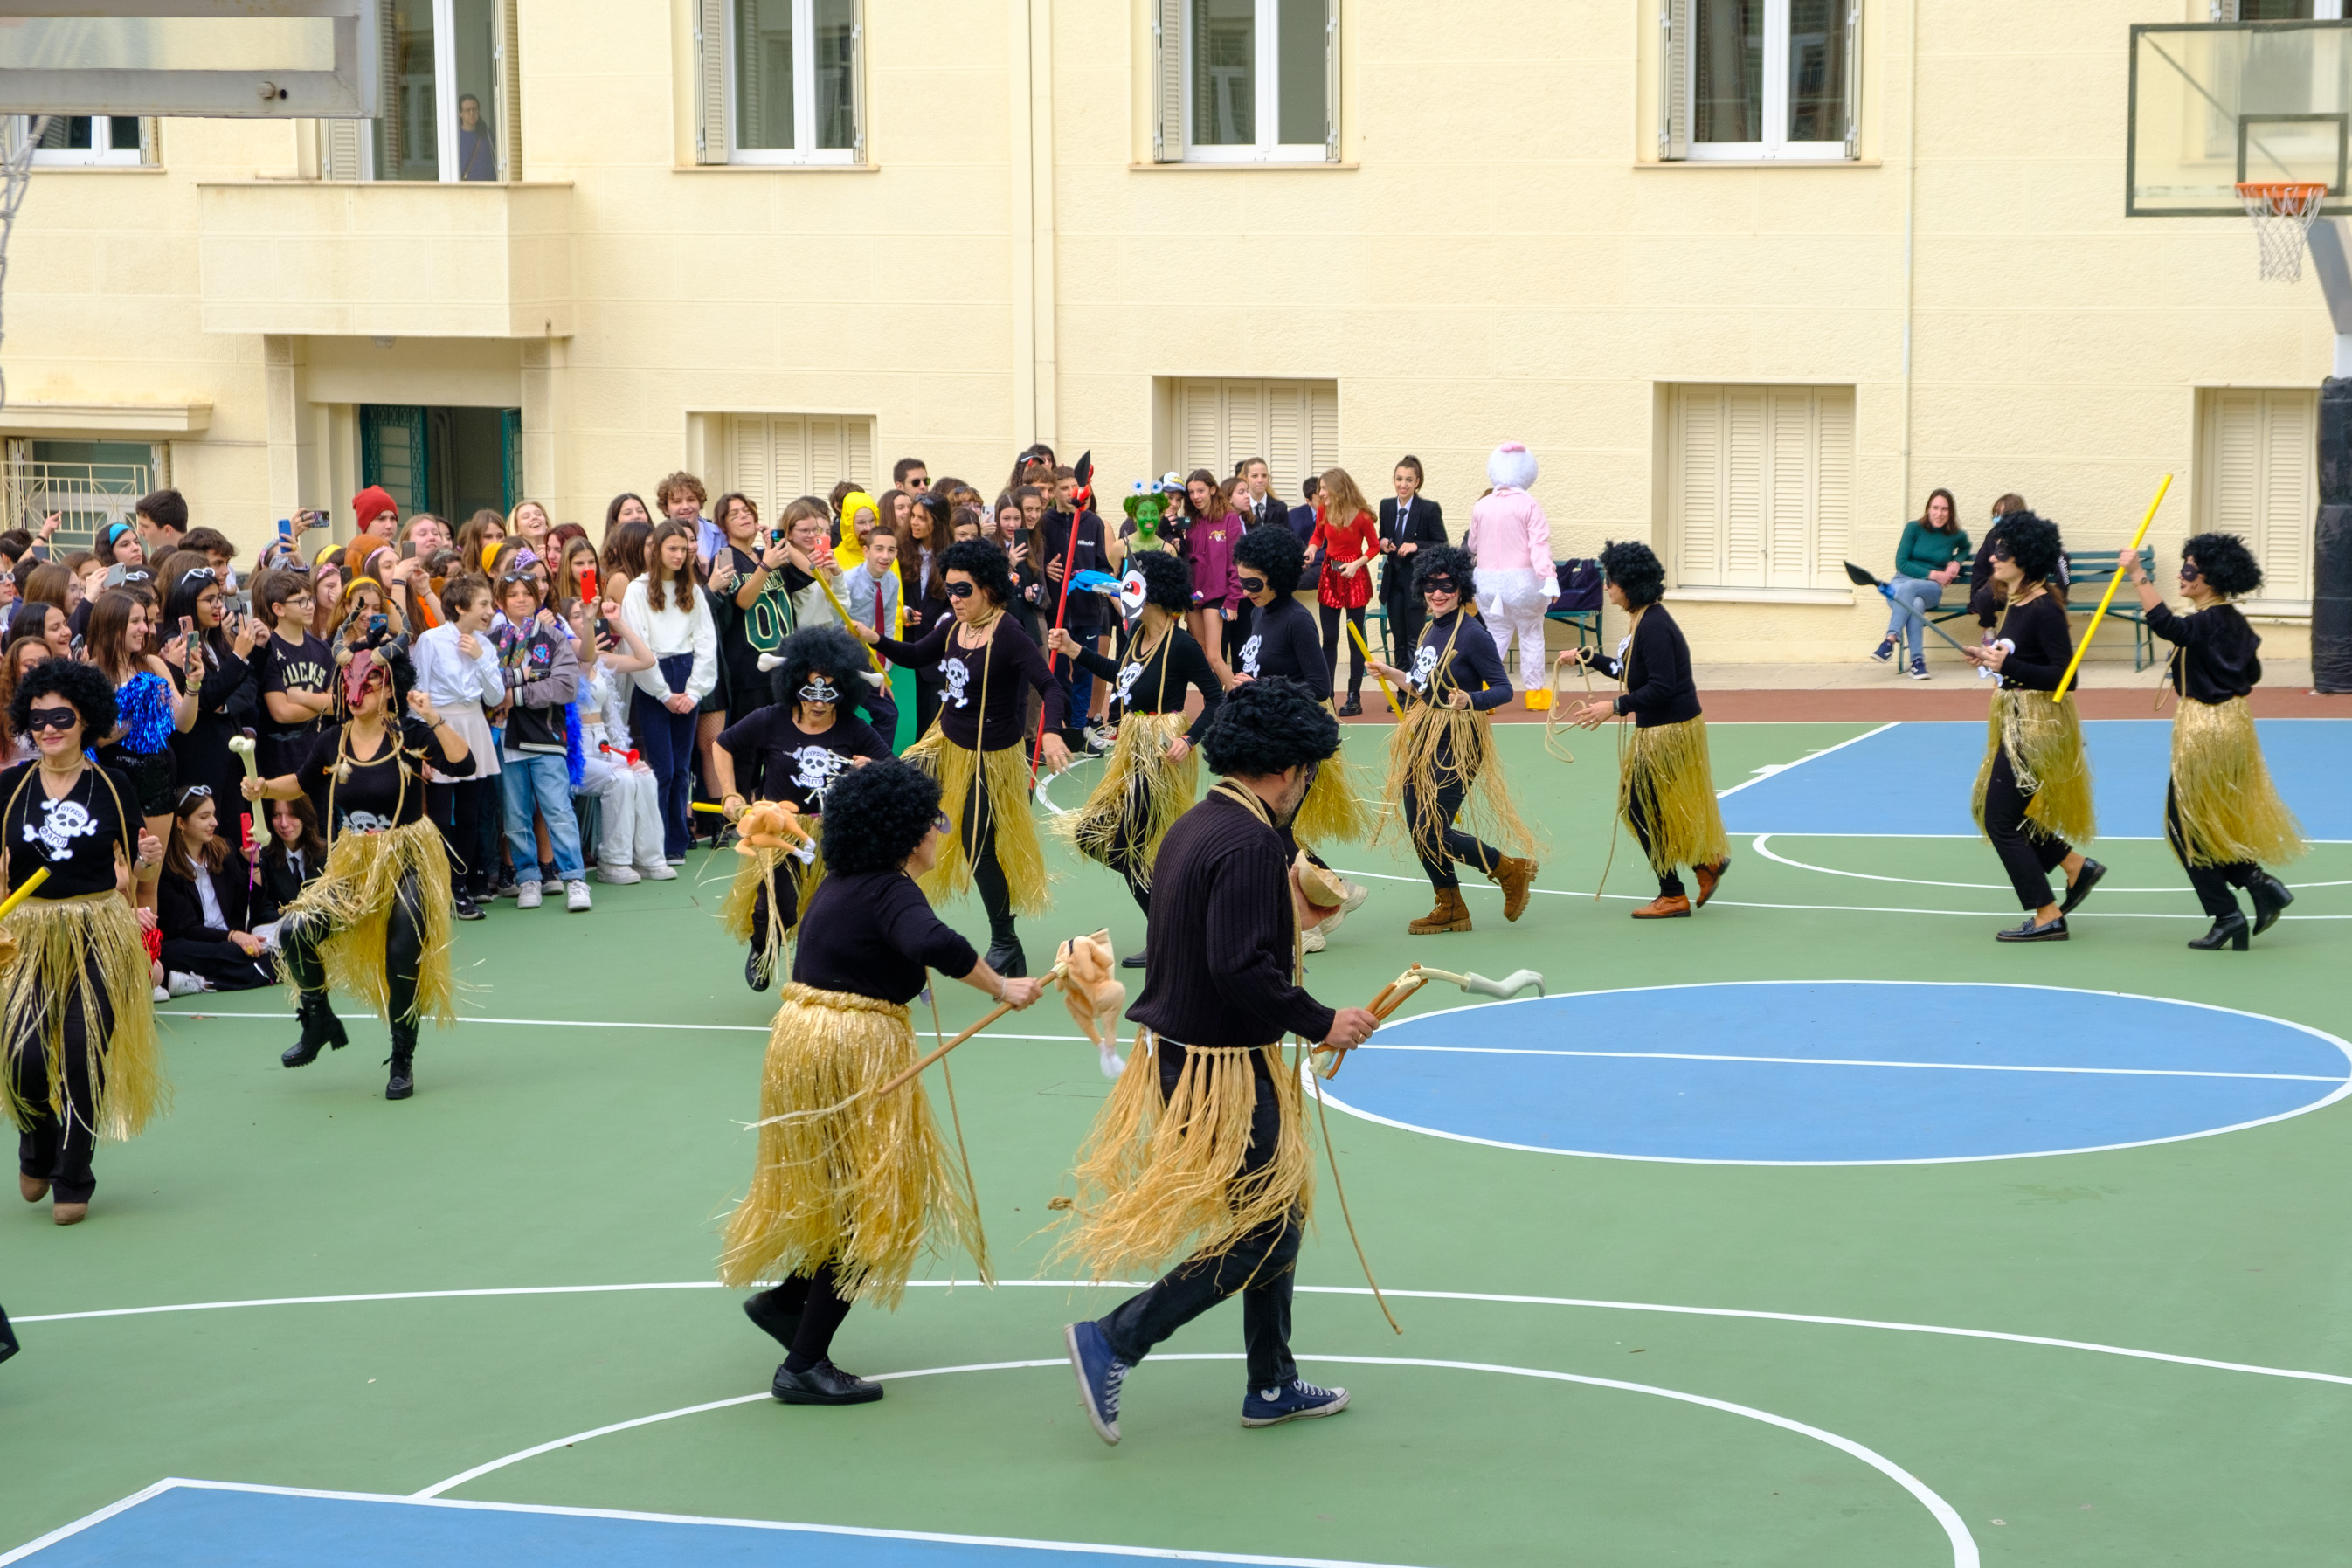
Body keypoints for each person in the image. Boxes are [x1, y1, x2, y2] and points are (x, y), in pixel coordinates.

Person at [1058, 678, 1380, 1445]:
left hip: (1192, 1056)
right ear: (1287, 769)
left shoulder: (1197, 823)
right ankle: (1116, 1337)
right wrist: (1321, 1020)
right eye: (1309, 770)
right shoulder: (1249, 842)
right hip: (1219, 1069)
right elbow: (1240, 967)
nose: (1308, 785)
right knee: (1269, 1228)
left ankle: (1270, 1380)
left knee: (1277, 1211)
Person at [721, 757, 1046, 1405]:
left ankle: (790, 1305)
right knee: (873, 1200)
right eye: (933, 822)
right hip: (849, 1044)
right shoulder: (891, 891)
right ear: (905, 831)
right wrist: (1002, 984)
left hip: (806, 1041)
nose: (939, 833)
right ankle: (803, 1363)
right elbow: (936, 942)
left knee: (842, 1188)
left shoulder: (844, 881)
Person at [243, 638, 474, 1100]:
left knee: (402, 951)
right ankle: (318, 1020)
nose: (358, 690)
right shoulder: (332, 741)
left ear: (388, 688)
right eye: (351, 680)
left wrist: (432, 716)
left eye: (370, 680)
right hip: (354, 860)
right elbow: (302, 782)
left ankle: (403, 1058)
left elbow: (462, 763)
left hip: (407, 856)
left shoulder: (408, 735)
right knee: (294, 932)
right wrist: (264, 787)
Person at [2, 659, 165, 1225]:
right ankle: (38, 1142)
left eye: (62, 716)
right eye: (39, 716)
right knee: (21, 1051)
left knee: (80, 1049)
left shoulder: (113, 786)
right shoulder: (9, 787)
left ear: (86, 718)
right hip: (29, 934)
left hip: (98, 929)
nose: (48, 727)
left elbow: (138, 865)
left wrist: (146, 863)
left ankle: (74, 1173)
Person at [857, 540, 1069, 977]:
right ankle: (881, 926)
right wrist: (875, 638)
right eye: (950, 589)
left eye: (963, 590)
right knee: (894, 807)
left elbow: (1050, 687)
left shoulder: (1009, 634)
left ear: (989, 589)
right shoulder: (954, 626)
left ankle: (1006, 942)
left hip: (990, 759)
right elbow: (917, 657)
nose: (954, 598)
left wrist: (1049, 732)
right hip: (945, 744)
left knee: (978, 848)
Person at [2124, 535, 2304, 950]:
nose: (2182, 577)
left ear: (2212, 578)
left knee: (2182, 822)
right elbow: (2252, 673)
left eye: (2189, 570)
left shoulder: (2207, 621)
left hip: (2206, 727)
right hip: (2233, 725)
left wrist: (2137, 575)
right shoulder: (2232, 621)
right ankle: (2255, 884)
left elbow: (2168, 626)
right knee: (2201, 822)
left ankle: (2228, 912)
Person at [1048, 551, 1222, 963]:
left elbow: (1216, 699)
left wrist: (1190, 739)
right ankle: (1176, 922)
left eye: (1133, 585)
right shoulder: (1135, 637)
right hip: (1131, 751)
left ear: (1156, 594)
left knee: (1131, 844)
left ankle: (1168, 935)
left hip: (1160, 756)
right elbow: (1122, 674)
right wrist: (1075, 650)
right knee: (1095, 835)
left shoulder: (1180, 644)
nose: (1125, 593)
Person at [1363, 545, 1539, 934]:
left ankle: (1508, 869)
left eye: (1446, 585)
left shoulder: (1473, 634)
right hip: (1424, 734)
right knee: (1418, 825)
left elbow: (1505, 690)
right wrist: (1391, 672)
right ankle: (1450, 904)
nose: (1437, 593)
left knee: (1432, 828)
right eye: (1430, 585)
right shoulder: (1431, 628)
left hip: (1458, 741)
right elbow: (1421, 684)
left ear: (1461, 588)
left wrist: (1469, 700)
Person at [1564, 541, 1732, 920]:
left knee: (1638, 808)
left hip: (1668, 731)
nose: (1607, 589)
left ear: (1630, 585)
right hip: (1667, 728)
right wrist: (1588, 657)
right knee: (1650, 807)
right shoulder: (1646, 619)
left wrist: (1615, 706)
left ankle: (1673, 893)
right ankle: (1706, 862)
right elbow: (1630, 673)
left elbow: (1661, 687)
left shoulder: (1654, 626)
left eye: (1611, 582)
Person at [716, 626, 891, 991]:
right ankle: (764, 945)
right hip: (779, 831)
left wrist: (869, 768)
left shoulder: (853, 728)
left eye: (829, 694)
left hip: (835, 834)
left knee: (833, 910)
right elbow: (722, 744)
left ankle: (826, 971)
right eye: (810, 691)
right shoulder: (771, 719)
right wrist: (730, 794)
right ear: (793, 683)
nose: (818, 702)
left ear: (844, 691)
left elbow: (892, 768)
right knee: (776, 903)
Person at [1958, 514, 2101, 941]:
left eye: (2001, 552)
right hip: (2016, 717)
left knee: (2000, 819)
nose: (1993, 558)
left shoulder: (2044, 607)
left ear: (2025, 557)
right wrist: (1990, 659)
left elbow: (2065, 677)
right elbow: (2021, 661)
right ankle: (2075, 866)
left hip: (2037, 725)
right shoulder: (2018, 602)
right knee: (2004, 812)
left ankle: (2047, 914)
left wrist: (2010, 665)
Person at [84, 589, 199, 905]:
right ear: (111, 624)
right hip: (110, 783)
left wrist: (193, 687)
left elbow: (183, 723)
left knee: (149, 881)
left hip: (155, 779)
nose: (145, 629)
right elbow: (89, 738)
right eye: (135, 621)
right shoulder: (90, 673)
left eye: (145, 621)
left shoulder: (153, 665)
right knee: (120, 883)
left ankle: (150, 953)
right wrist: (136, 714)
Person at [622, 520, 718, 865]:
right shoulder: (637, 589)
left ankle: (676, 841)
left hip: (686, 673)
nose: (679, 555)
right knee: (660, 767)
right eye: (672, 549)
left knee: (680, 767)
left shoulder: (691, 587)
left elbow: (706, 642)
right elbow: (639, 644)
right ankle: (654, 844)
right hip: (653, 677)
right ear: (658, 549)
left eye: (684, 549)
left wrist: (692, 692)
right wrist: (664, 693)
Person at [493, 572, 590, 913]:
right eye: (512, 594)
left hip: (546, 740)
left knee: (558, 810)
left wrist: (515, 694)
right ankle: (528, 879)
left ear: (537, 598)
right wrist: (513, 682)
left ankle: (575, 879)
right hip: (505, 741)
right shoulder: (490, 640)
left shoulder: (554, 637)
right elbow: (483, 684)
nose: (520, 599)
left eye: (527, 593)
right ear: (500, 601)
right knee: (515, 815)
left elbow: (565, 687)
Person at [410, 573, 503, 917]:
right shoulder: (432, 641)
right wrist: (421, 747)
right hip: (439, 726)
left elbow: (495, 697)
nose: (490, 611)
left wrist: (480, 657)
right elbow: (419, 691)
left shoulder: (485, 645)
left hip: (473, 725)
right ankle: (437, 887)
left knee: (470, 814)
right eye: (483, 604)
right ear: (461, 607)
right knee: (438, 814)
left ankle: (459, 886)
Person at [562, 593, 667, 884]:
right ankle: (612, 861)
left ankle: (648, 858)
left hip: (604, 742)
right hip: (576, 750)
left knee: (645, 776)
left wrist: (617, 621)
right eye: (576, 616)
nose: (583, 620)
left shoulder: (602, 660)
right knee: (621, 779)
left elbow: (646, 660)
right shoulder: (564, 661)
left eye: (587, 616)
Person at [160, 567, 259, 848]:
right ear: (188, 603)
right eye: (210, 600)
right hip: (199, 756)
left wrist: (224, 703)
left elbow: (247, 686)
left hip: (229, 752)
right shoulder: (175, 643)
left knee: (233, 834)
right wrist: (239, 656)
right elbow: (205, 696)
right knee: (210, 841)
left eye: (219, 598)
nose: (219, 605)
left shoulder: (213, 638)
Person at [156, 785, 275, 994]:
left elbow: (248, 909)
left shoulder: (223, 850)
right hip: (199, 944)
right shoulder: (167, 868)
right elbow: (187, 929)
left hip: (232, 940)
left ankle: (202, 982)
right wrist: (232, 937)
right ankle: (248, 973)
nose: (214, 822)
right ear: (181, 823)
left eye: (213, 814)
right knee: (169, 952)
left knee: (266, 952)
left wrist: (254, 866)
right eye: (204, 817)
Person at [1466, 444, 1555, 709]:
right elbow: (1539, 545)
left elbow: (1472, 545)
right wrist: (1549, 578)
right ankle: (1535, 694)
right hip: (1524, 584)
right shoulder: (1529, 505)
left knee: (1494, 637)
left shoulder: (1481, 506)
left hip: (1488, 585)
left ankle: (1485, 694)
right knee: (1531, 635)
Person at [1876, 488, 1970, 679]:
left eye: (1944, 509)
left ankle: (1890, 639)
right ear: (1928, 509)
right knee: (1915, 603)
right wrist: (1936, 574)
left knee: (1912, 590)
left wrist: (1956, 561)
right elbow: (1901, 563)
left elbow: (1966, 547)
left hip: (1931, 590)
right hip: (1902, 583)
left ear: (1950, 512)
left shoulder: (1955, 535)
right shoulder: (1913, 528)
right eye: (1935, 508)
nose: (1939, 513)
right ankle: (1917, 663)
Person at [1309, 470, 1379, 716]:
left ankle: (1354, 696)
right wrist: (1311, 549)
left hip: (1353, 576)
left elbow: (1374, 546)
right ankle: (1326, 695)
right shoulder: (1323, 510)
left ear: (1339, 488)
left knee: (1355, 638)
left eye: (1325, 488)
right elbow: (1318, 535)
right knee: (1329, 638)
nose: (1321, 493)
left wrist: (1357, 564)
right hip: (1330, 574)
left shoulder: (1362, 516)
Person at [837, 525, 904, 745]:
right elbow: (835, 626)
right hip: (842, 659)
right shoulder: (848, 581)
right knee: (839, 714)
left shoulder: (892, 581)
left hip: (868, 661)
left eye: (891, 550)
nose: (885, 556)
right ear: (866, 551)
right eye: (879, 549)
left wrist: (882, 673)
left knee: (888, 713)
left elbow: (886, 627)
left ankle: (876, 764)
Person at [1376, 457, 1445, 663]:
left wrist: (1416, 546)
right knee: (1399, 639)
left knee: (1414, 639)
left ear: (1417, 482)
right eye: (1399, 479)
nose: (1402, 485)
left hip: (1416, 582)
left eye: (1408, 480)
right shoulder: (1386, 506)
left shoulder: (1428, 508)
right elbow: (1383, 536)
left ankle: (1414, 686)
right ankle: (1401, 690)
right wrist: (1383, 543)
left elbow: (1442, 544)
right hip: (1393, 582)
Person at [1179, 471, 1246, 683]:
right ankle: (1217, 702)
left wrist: (1233, 599)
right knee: (1201, 657)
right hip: (1193, 598)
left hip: (1218, 595)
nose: (1196, 496)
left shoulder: (1229, 519)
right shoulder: (1188, 523)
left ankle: (1239, 700)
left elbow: (1236, 563)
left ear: (1213, 490)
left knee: (1214, 656)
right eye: (1191, 492)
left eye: (1201, 490)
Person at [1967, 492, 2031, 628]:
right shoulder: (1992, 536)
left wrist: (2062, 595)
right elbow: (1980, 568)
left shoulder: (2030, 536)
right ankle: (1988, 631)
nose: (1998, 519)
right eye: (1995, 515)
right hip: (2000, 589)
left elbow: (2061, 559)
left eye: (2002, 515)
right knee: (1983, 598)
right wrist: (1974, 601)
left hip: (2025, 588)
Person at [134, 488, 187, 560]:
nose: (139, 531)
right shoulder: (161, 558)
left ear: (168, 530)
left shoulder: (196, 563)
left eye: (145, 526)